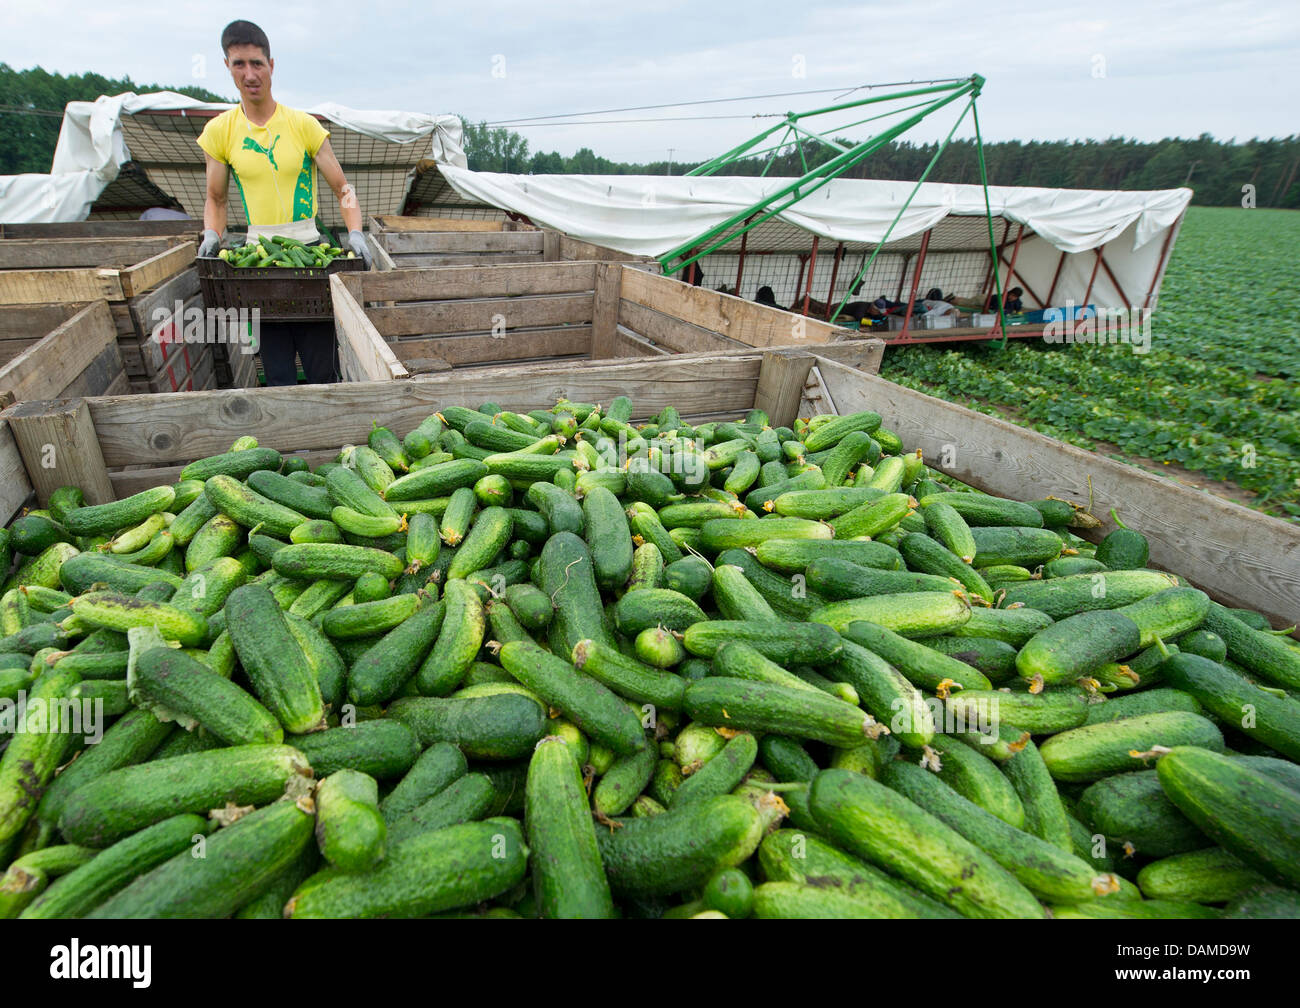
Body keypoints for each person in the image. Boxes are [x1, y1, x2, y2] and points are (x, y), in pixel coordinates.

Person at [197, 20, 372, 386]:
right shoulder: (220, 131)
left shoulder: (302, 125)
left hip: (310, 260)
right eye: (239, 64)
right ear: (227, 67)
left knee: (323, 369)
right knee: (276, 374)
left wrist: (356, 233)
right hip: (255, 264)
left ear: (271, 65)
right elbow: (216, 198)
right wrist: (211, 235)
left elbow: (344, 190)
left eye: (257, 63)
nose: (249, 74)